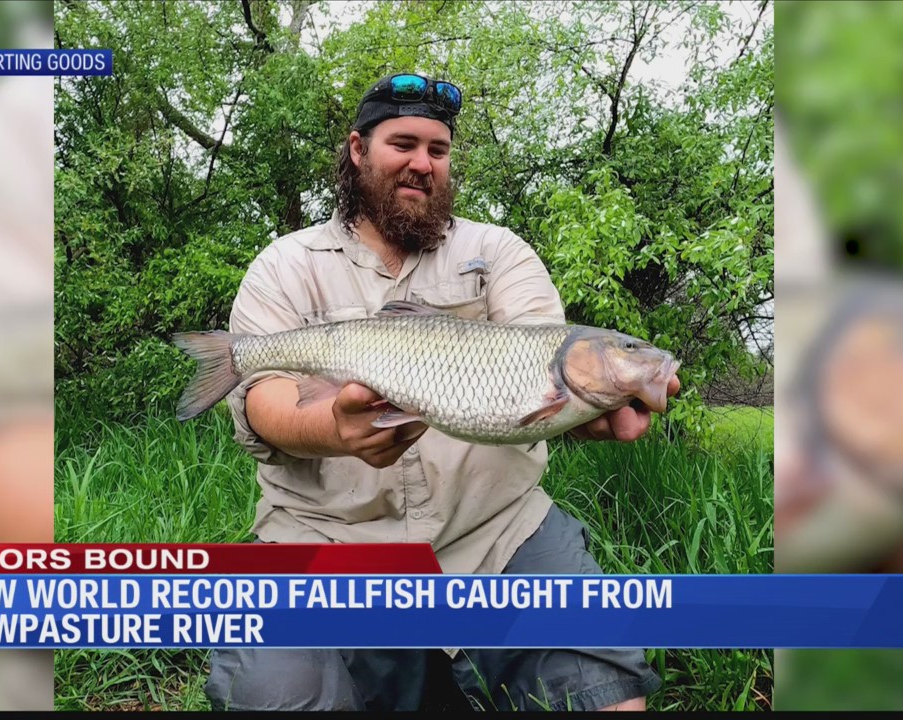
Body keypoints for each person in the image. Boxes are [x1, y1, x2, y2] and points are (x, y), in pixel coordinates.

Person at [202, 72, 678, 712]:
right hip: (323, 541)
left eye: (438, 150)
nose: (422, 163)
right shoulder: (285, 264)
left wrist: (596, 402)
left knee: (605, 696)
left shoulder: (499, 252)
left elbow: (542, 349)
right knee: (274, 697)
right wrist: (333, 431)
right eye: (403, 143)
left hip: (495, 533)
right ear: (358, 150)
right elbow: (263, 399)